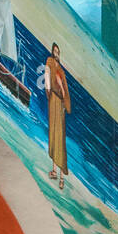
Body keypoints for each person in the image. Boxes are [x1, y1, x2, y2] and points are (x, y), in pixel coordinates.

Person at [45, 43, 71, 190]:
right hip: (55, 101)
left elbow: (62, 88)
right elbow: (47, 75)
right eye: (55, 51)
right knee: (55, 135)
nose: (56, 54)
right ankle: (55, 171)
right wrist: (49, 93)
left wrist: (52, 93)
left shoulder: (59, 70)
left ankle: (60, 175)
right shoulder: (50, 62)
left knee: (58, 137)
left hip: (57, 102)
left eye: (57, 52)